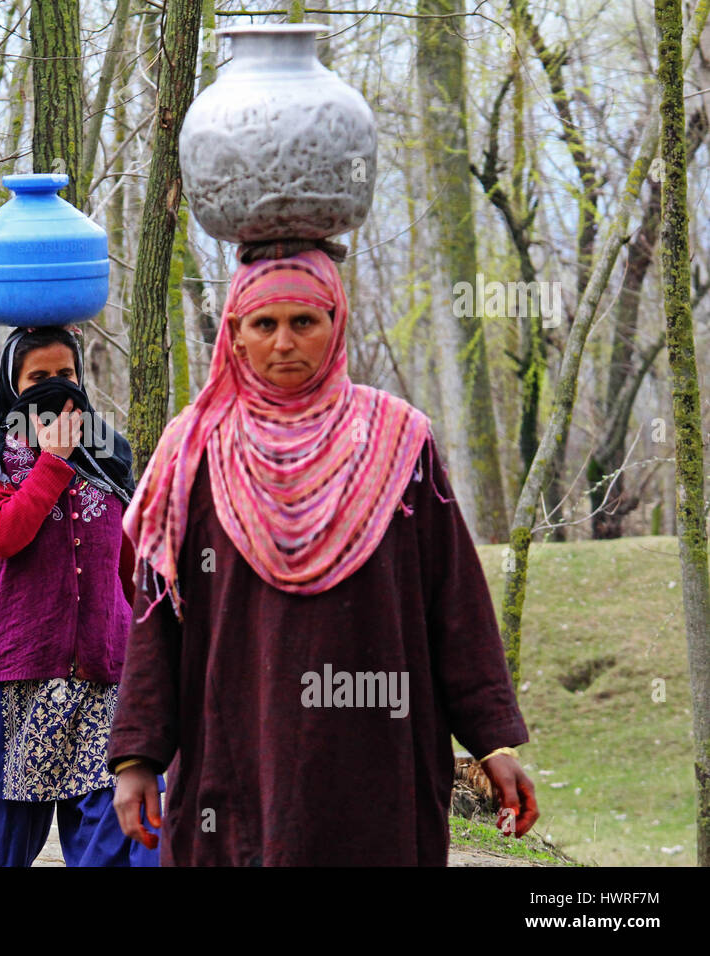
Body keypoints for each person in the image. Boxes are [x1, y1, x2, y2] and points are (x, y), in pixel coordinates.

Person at [108, 249, 538, 866]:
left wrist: (492, 739)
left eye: (304, 322)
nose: (284, 343)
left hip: (377, 761)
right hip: (234, 760)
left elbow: (455, 602)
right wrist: (137, 756)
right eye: (265, 324)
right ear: (234, 332)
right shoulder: (193, 453)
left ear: (337, 323)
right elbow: (157, 620)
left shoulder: (399, 443)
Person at [0, 325, 158, 866]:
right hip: (20, 672)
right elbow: (3, 534)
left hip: (103, 673)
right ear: (12, 383)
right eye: (37, 377)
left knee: (112, 831)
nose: (54, 387)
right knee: (1, 843)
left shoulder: (109, 450)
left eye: (65, 374)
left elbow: (126, 559)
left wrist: (157, 633)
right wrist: (53, 461)